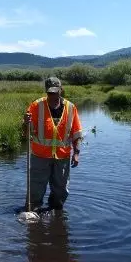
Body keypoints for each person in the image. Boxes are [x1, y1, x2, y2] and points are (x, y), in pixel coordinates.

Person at [23, 76, 83, 211]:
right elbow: (26, 133)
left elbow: (76, 133)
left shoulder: (70, 107)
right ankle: (32, 211)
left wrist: (77, 153)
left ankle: (56, 214)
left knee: (61, 191)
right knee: (35, 189)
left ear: (61, 90)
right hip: (40, 156)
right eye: (50, 92)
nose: (53, 95)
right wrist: (25, 123)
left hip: (62, 157)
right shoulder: (36, 106)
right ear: (46, 91)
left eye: (56, 92)